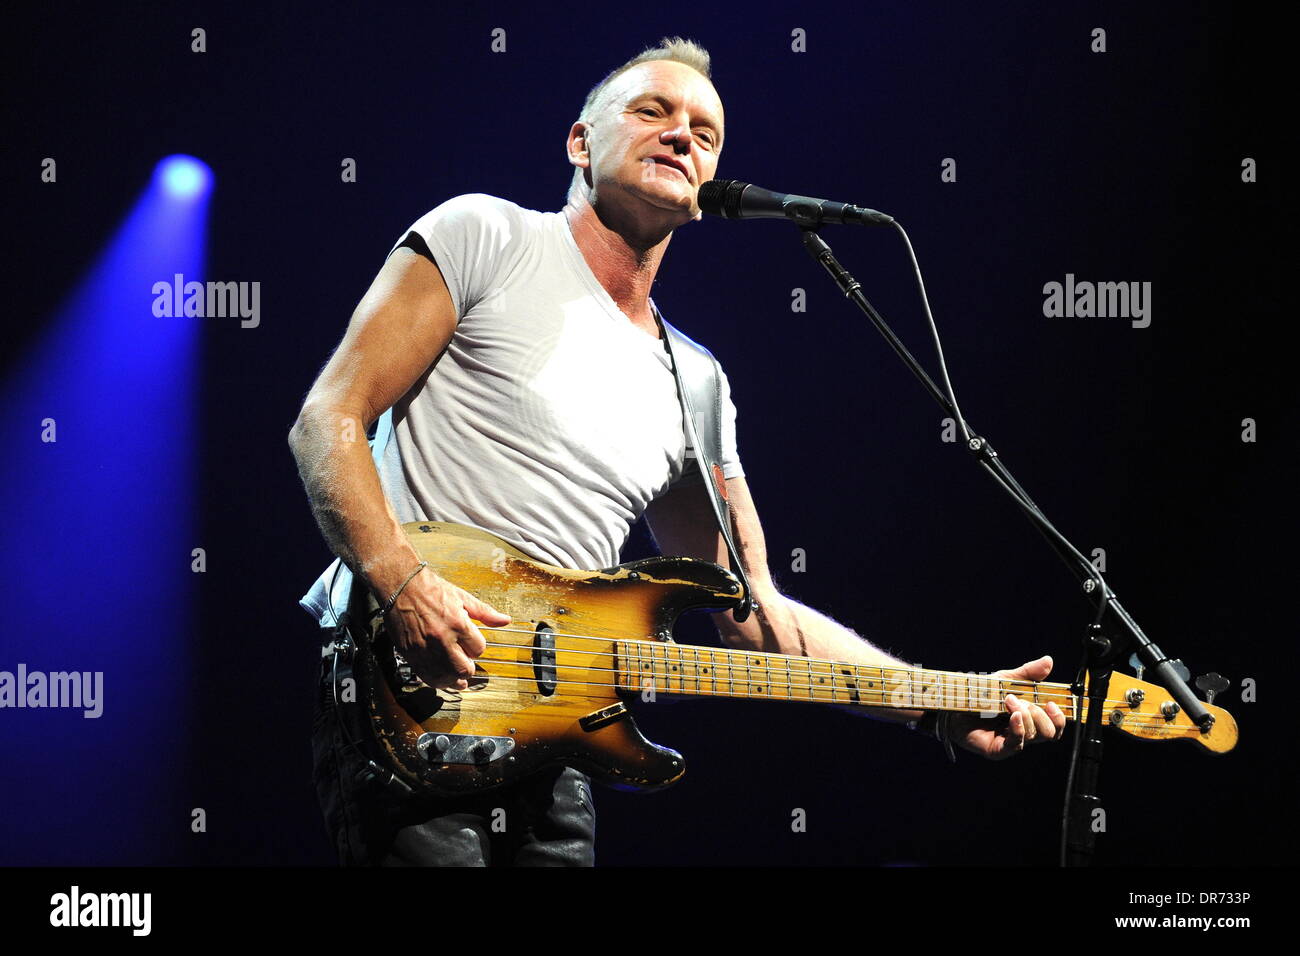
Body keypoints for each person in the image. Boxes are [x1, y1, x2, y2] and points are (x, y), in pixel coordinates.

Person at [288, 36, 1066, 867]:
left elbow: (756, 616)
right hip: (414, 691)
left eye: (705, 130)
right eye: (652, 111)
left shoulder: (696, 381)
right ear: (581, 143)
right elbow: (328, 418)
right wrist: (403, 581)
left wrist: (938, 704)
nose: (681, 134)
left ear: (708, 183)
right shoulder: (486, 235)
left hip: (560, 742)